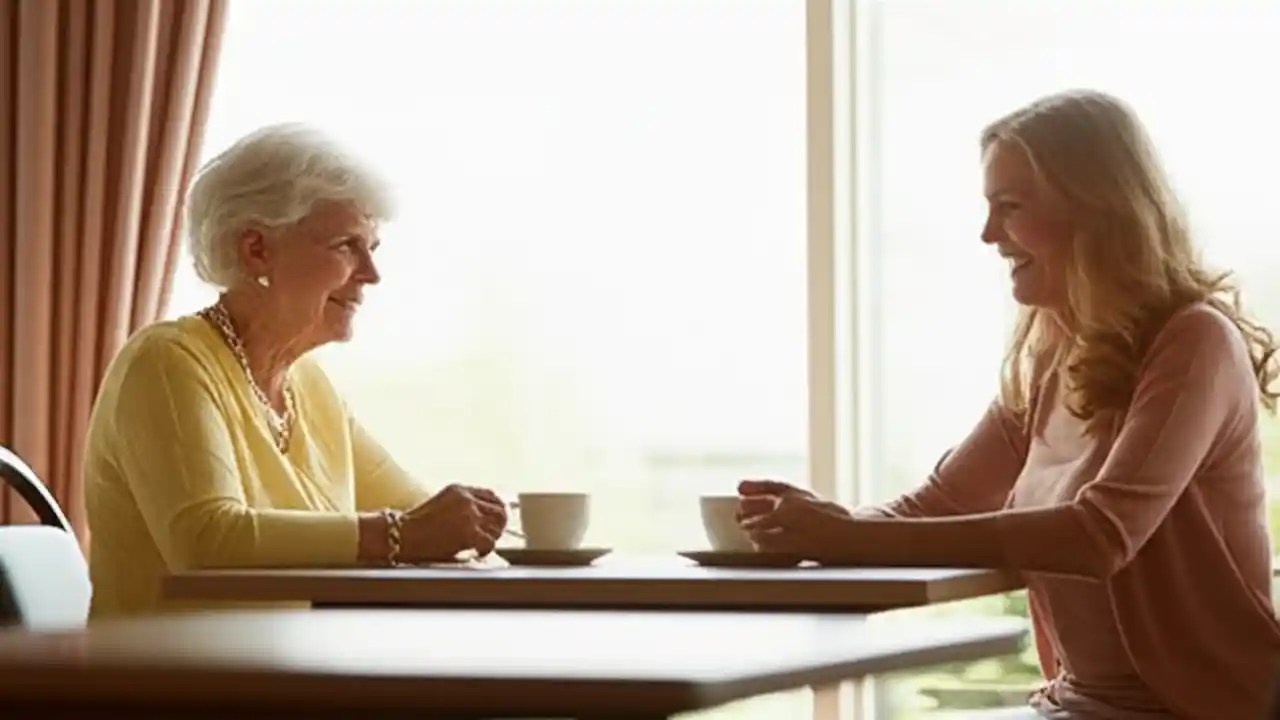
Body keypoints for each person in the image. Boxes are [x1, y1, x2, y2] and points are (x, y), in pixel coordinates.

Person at [737, 90, 1280, 718]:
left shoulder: (1194, 342)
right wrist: (816, 527)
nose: (990, 234)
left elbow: (1097, 535)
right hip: (1075, 704)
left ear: (1095, 211)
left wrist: (850, 538)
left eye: (1011, 208)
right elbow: (935, 505)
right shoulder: (1051, 355)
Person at [84, 125, 508, 618]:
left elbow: (422, 516)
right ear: (257, 249)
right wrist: (400, 534)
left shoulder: (311, 386)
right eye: (347, 245)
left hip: (286, 677)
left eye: (373, 248)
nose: (372, 273)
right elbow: (207, 539)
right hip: (168, 683)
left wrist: (480, 527)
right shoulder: (167, 362)